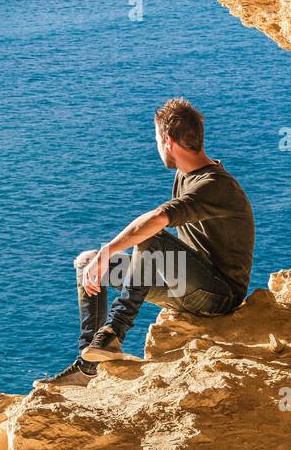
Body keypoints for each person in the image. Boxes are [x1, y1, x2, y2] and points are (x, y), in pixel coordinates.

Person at [50, 98, 255, 387]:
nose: (156, 145)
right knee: (87, 262)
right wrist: (100, 257)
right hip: (189, 281)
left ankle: (114, 332)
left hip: (220, 294)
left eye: (157, 139)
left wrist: (109, 250)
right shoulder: (186, 175)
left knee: (152, 236)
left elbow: (157, 219)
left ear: (168, 140)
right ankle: (87, 365)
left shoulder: (214, 185)